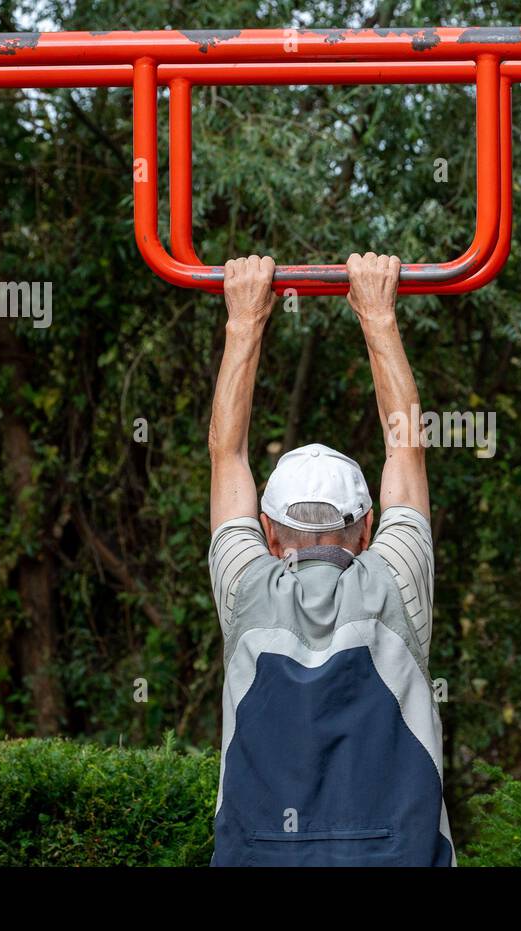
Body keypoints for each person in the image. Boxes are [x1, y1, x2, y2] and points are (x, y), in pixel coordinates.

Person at [206, 251, 454, 866]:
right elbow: (406, 451)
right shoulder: (399, 579)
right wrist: (377, 315)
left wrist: (244, 321)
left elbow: (226, 456)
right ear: (367, 528)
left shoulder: (243, 587)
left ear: (267, 530)